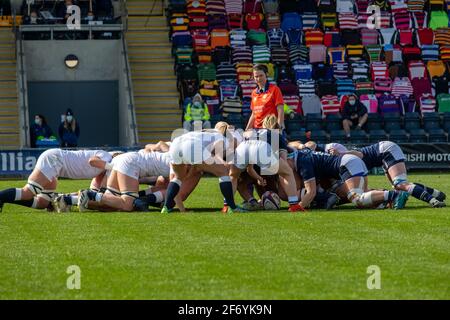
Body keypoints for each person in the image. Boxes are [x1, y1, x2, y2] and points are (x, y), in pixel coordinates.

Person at [0, 149, 112, 212]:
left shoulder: (105, 170)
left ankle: (4, 199)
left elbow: (96, 190)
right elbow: (92, 161)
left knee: (42, 203)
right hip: (54, 159)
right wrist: (112, 167)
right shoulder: (108, 157)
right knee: (27, 192)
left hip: (57, 165)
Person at [245, 64, 285, 130]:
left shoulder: (275, 89)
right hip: (257, 130)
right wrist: (247, 129)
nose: (259, 79)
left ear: (266, 74)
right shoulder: (253, 93)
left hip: (271, 129)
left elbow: (280, 109)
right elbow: (254, 114)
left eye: (261, 75)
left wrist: (279, 128)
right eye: (256, 76)